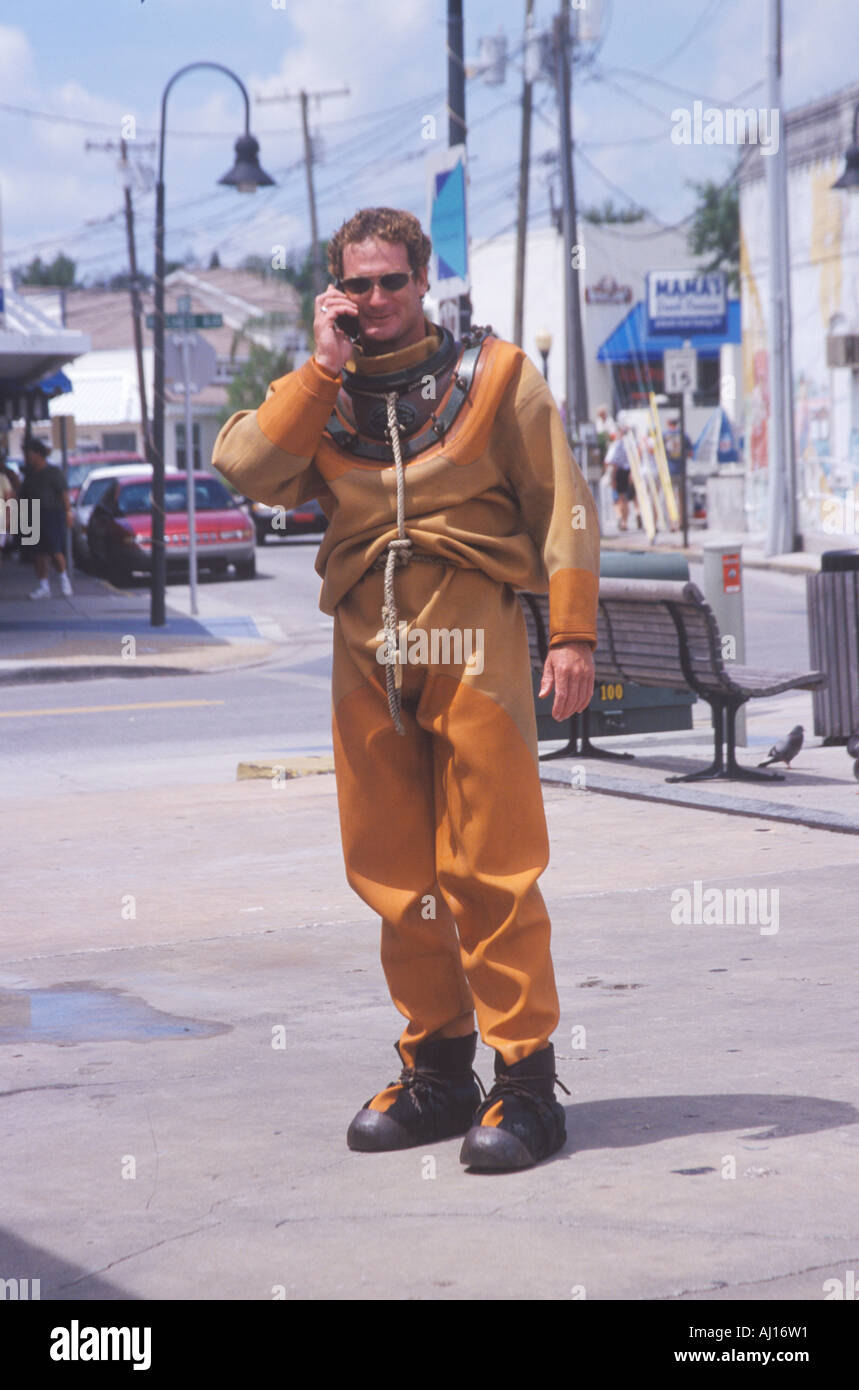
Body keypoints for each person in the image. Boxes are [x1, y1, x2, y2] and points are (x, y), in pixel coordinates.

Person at [213, 206, 599, 1172]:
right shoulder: (322, 392)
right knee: (393, 870)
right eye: (359, 285)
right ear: (334, 292)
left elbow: (565, 506)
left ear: (423, 281)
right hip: (365, 645)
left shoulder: (496, 377)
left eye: (392, 282)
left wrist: (574, 635)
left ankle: (524, 1079)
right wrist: (321, 366)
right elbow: (250, 469)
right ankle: (436, 1069)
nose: (377, 301)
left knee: (491, 863)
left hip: (471, 631)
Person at [20, 439, 73, 598]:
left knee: (54, 549)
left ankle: (64, 580)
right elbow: (22, 494)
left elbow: (64, 494)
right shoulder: (29, 474)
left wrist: (68, 512)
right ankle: (43, 586)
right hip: (32, 512)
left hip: (51, 513)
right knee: (38, 553)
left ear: (38, 454)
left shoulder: (53, 472)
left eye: (29, 453)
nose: (27, 457)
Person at [604, 426, 636, 532]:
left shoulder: (616, 445)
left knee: (619, 498)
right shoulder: (632, 444)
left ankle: (620, 517)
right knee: (626, 499)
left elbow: (609, 460)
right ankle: (625, 522)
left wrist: (610, 475)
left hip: (618, 471)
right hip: (629, 472)